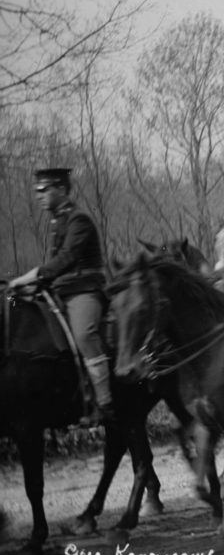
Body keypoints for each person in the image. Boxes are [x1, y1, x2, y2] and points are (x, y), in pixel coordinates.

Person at [9, 168, 113, 424]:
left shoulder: (80, 221)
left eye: (44, 190)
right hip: (61, 290)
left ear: (62, 190)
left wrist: (31, 276)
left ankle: (104, 402)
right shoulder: (58, 221)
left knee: (84, 334)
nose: (38, 196)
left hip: (84, 291)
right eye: (37, 191)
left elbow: (65, 259)